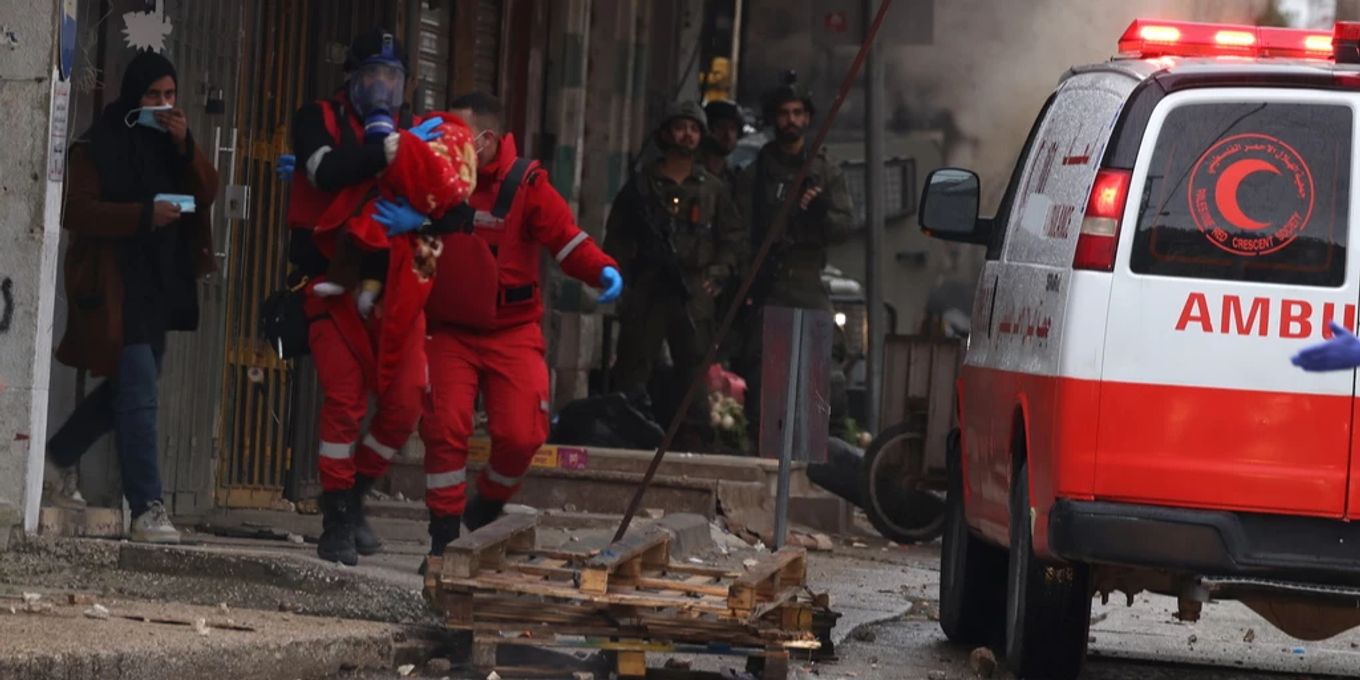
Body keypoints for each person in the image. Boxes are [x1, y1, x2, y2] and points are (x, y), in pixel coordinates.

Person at [371, 91, 621, 557]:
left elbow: (565, 238)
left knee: (523, 434)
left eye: (456, 135)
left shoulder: (526, 184)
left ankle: (485, 505)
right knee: (444, 430)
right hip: (448, 330)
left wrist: (600, 268)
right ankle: (444, 536)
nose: (446, 144)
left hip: (513, 331)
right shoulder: (429, 177)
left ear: (485, 140)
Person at [284, 28, 451, 566]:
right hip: (332, 288)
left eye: (393, 77)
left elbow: (452, 204)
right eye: (372, 76)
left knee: (404, 407)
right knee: (344, 400)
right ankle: (334, 519)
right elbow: (325, 170)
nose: (382, 87)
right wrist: (386, 150)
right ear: (351, 81)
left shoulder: (422, 131)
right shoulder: (316, 119)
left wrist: (423, 215)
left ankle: (357, 494)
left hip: (398, 295)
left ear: (408, 83)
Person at [46, 50, 219, 543]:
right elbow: (78, 211)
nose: (163, 105)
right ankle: (147, 507)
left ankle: (59, 455)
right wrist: (144, 215)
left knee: (130, 388)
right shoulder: (98, 143)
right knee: (139, 390)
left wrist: (186, 147)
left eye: (170, 95)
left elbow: (206, 189)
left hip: (159, 283)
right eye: (153, 96)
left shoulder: (171, 142)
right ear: (132, 96)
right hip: (114, 284)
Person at [603, 101, 744, 452]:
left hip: (693, 289)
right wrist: (622, 275)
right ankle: (623, 433)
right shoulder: (642, 186)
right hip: (650, 286)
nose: (687, 135)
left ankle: (694, 443)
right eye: (681, 127)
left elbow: (733, 239)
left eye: (694, 129)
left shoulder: (712, 189)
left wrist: (718, 273)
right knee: (634, 364)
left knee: (694, 370)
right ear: (667, 133)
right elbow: (617, 236)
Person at [735, 72, 854, 447]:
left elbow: (844, 227)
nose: (791, 120)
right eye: (784, 113)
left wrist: (819, 210)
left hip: (806, 277)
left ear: (808, 117)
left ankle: (815, 450)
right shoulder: (754, 175)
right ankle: (762, 448)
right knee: (760, 371)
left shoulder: (824, 171)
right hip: (766, 279)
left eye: (798, 112)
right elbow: (738, 232)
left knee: (823, 369)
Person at [699, 99, 744, 194]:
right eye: (721, 127)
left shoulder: (734, 179)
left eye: (732, 128)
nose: (728, 135)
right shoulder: (692, 172)